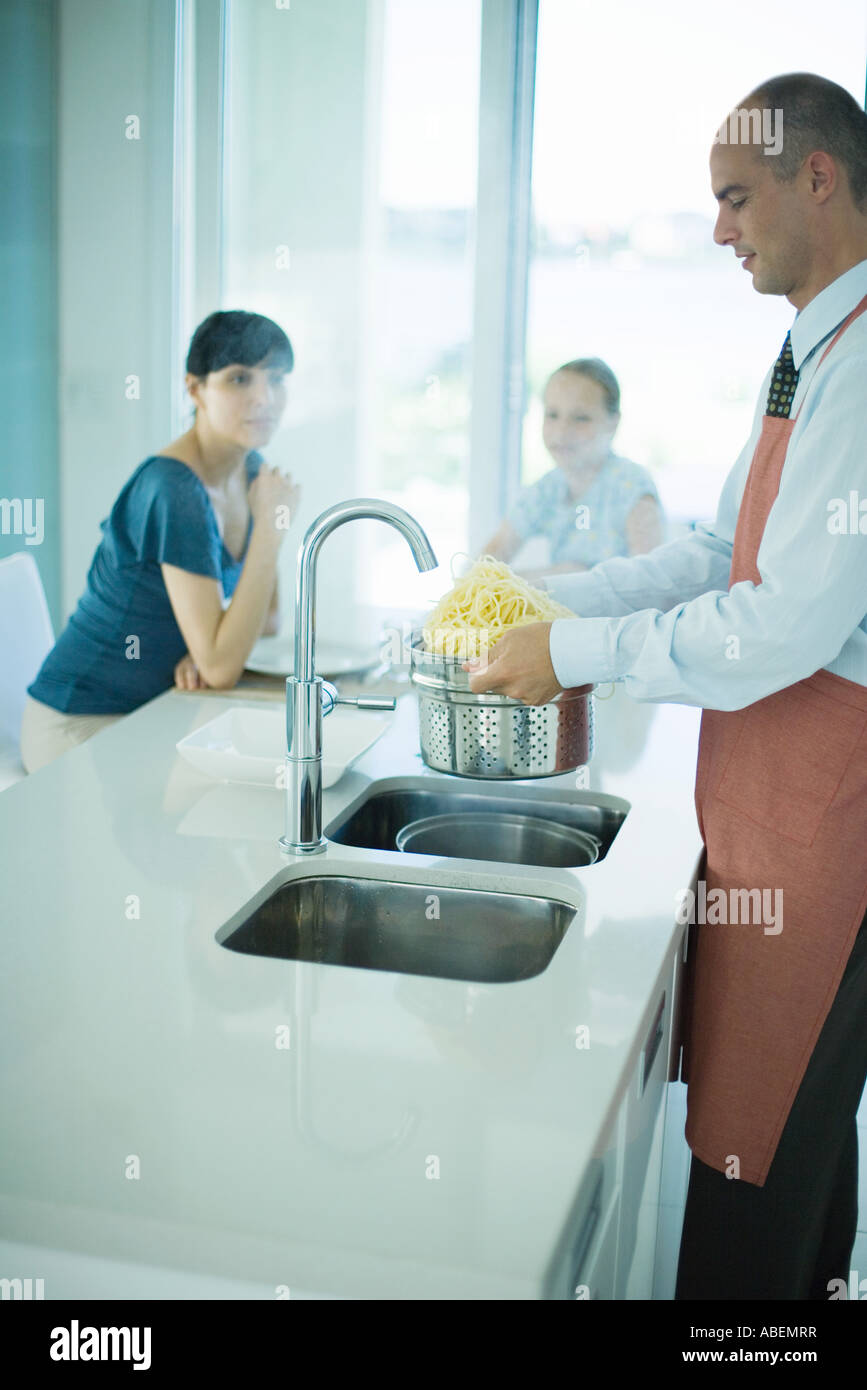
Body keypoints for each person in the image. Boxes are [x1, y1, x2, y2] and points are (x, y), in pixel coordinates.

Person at [465, 72, 867, 1300]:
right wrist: (552, 604)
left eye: (736, 199)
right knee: (787, 1143)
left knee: (760, 1171)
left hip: (827, 821)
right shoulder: (813, 351)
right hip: (777, 815)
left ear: (820, 176)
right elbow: (712, 551)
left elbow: (788, 621)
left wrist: (573, 656)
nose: (718, 232)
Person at [21, 310, 300, 773]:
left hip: (157, 707)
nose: (264, 397)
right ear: (195, 389)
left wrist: (204, 645)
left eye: (276, 378)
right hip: (81, 719)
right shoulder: (174, 489)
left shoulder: (253, 473)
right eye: (239, 379)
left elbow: (266, 622)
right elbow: (221, 669)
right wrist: (271, 530)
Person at [481, 359, 665, 583]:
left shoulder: (632, 486)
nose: (561, 432)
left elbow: (649, 584)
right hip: (564, 615)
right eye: (552, 415)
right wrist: (560, 573)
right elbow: (484, 566)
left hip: (622, 618)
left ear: (612, 424)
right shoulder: (547, 489)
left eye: (581, 418)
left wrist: (567, 575)